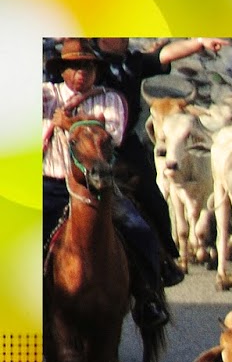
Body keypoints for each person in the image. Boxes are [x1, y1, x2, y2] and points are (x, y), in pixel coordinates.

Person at [42, 38, 176, 328]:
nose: (81, 73)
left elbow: (111, 136)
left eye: (88, 67)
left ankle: (148, 295)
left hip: (96, 185)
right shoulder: (47, 94)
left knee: (138, 228)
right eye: (74, 66)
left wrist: (69, 123)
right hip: (51, 184)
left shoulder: (111, 99)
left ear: (96, 71)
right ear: (62, 70)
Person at [94, 37, 225, 274]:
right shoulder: (87, 61)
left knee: (154, 199)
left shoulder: (131, 62)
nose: (124, 37)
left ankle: (166, 258)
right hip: (86, 144)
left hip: (123, 144)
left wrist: (199, 43)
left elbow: (164, 55)